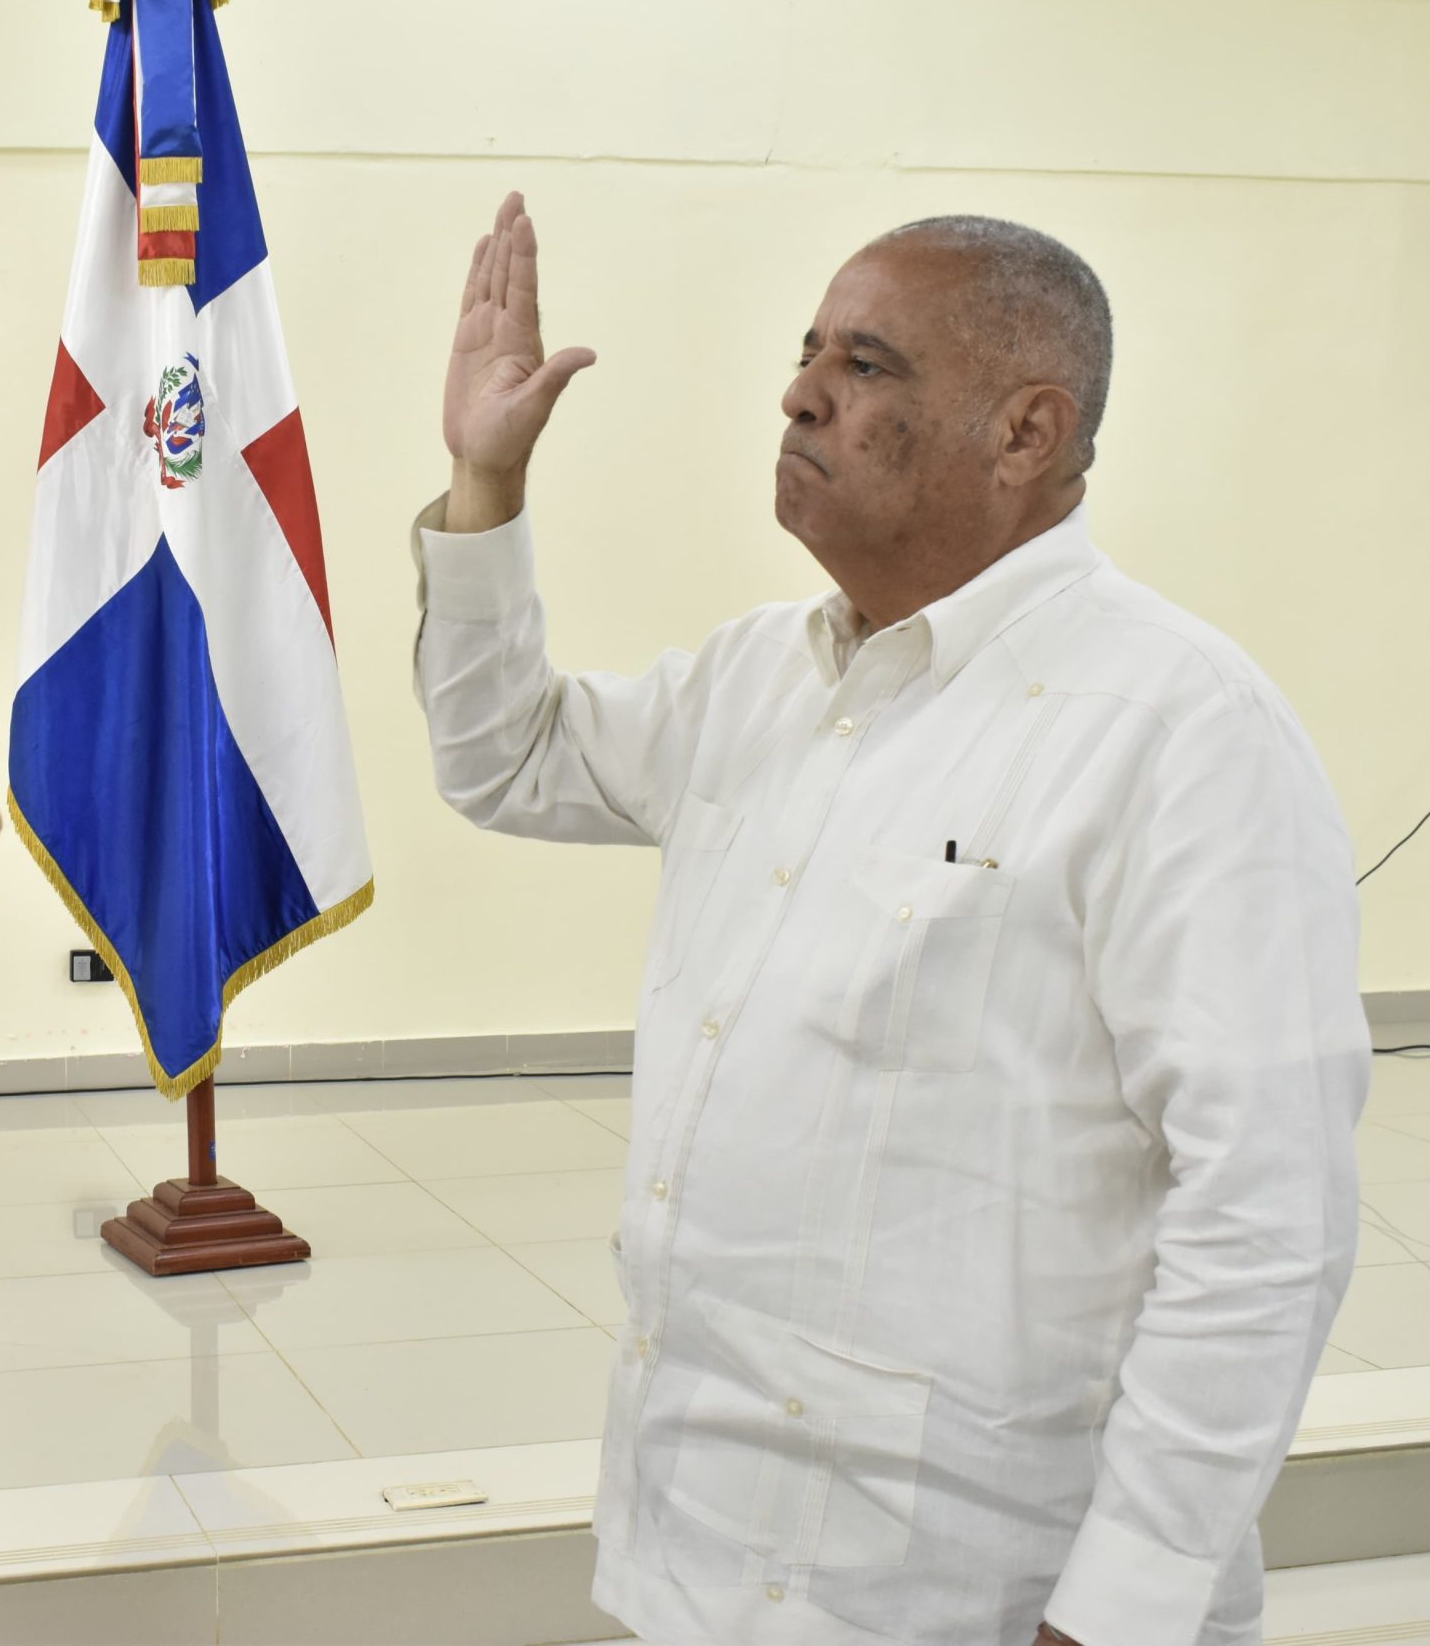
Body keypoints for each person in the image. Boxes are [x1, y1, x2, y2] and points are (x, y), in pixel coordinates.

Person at [414, 196, 1367, 1645]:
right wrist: (485, 481)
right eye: (808, 352)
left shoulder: (1178, 729)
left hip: (968, 1593)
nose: (800, 391)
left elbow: (1266, 1221)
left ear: (1026, 433)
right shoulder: (763, 672)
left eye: (867, 366)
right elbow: (504, 752)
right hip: (694, 1552)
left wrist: (1119, 1611)